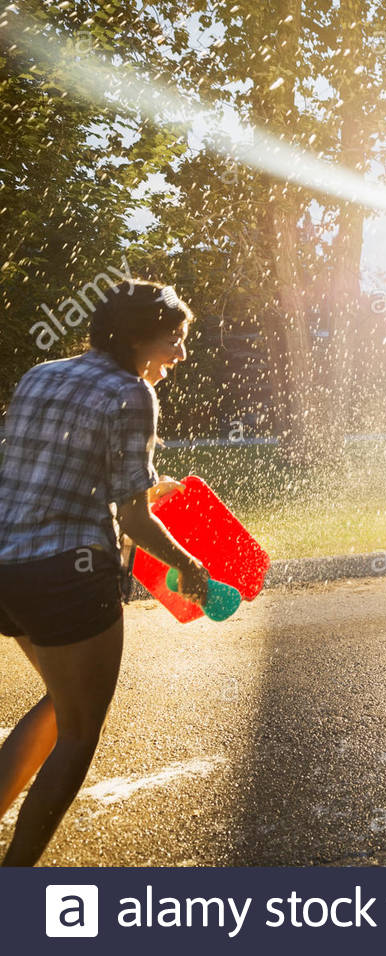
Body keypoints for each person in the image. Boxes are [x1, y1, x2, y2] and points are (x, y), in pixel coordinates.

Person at [0, 280, 210, 866]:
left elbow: (52, 469)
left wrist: (145, 485)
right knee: (78, 735)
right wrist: (187, 565)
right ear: (140, 336)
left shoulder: (41, 375)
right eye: (175, 339)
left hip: (7, 570)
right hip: (67, 575)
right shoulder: (131, 392)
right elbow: (134, 518)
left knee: (61, 703)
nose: (181, 353)